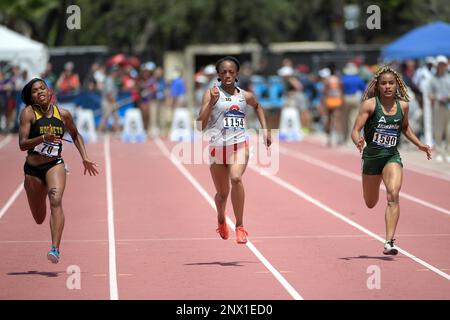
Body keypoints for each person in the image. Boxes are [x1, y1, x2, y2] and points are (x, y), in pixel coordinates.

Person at [351, 65, 431, 255]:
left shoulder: (403, 105)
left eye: (391, 83)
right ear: (378, 86)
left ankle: (389, 242)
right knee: (370, 202)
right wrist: (358, 141)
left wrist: (419, 144)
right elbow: (355, 130)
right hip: (371, 158)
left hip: (391, 156)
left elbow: (404, 128)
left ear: (397, 85)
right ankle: (373, 186)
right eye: (384, 83)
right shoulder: (370, 104)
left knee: (393, 194)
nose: (387, 86)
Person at [18, 78, 98, 264]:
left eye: (42, 88)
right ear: (32, 98)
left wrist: (84, 157)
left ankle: (55, 249)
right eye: (35, 91)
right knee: (39, 218)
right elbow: (22, 144)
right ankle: (38, 188)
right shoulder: (28, 114)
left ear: (49, 91)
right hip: (33, 169)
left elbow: (76, 135)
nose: (40, 92)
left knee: (56, 199)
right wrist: (42, 138)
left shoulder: (63, 114)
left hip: (55, 164)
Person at [197, 56, 271, 244]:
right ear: (219, 75)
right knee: (222, 195)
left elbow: (258, 106)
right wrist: (211, 104)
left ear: (236, 73)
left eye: (231, 71)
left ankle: (240, 226)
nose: (228, 75)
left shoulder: (245, 96)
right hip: (217, 149)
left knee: (236, 178)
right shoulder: (211, 94)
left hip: (239, 146)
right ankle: (221, 218)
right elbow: (200, 125)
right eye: (224, 72)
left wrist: (266, 130)